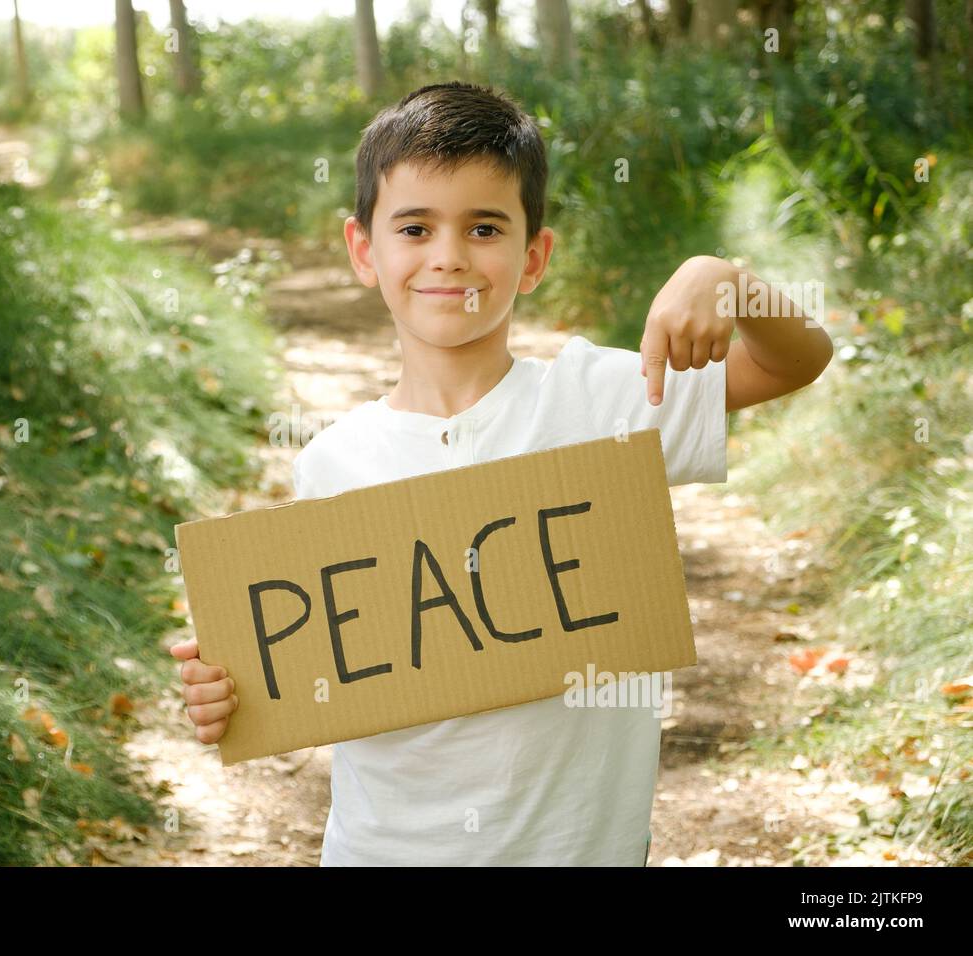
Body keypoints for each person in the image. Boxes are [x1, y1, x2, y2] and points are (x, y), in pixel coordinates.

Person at [170, 81, 834, 866]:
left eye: (484, 227)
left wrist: (725, 278)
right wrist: (231, 693)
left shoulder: (605, 399)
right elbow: (326, 670)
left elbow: (797, 359)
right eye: (414, 227)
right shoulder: (331, 462)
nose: (448, 256)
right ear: (363, 251)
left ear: (533, 256)